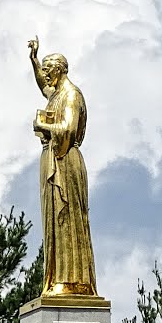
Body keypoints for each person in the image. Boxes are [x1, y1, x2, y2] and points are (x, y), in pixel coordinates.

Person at [29, 37, 97, 299]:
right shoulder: (57, 94)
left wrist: (42, 126)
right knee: (54, 224)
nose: (45, 76)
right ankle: (57, 279)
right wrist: (34, 59)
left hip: (65, 160)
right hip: (52, 158)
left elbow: (68, 130)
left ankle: (73, 281)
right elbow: (43, 86)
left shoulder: (71, 95)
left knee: (67, 218)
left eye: (48, 71)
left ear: (58, 70)